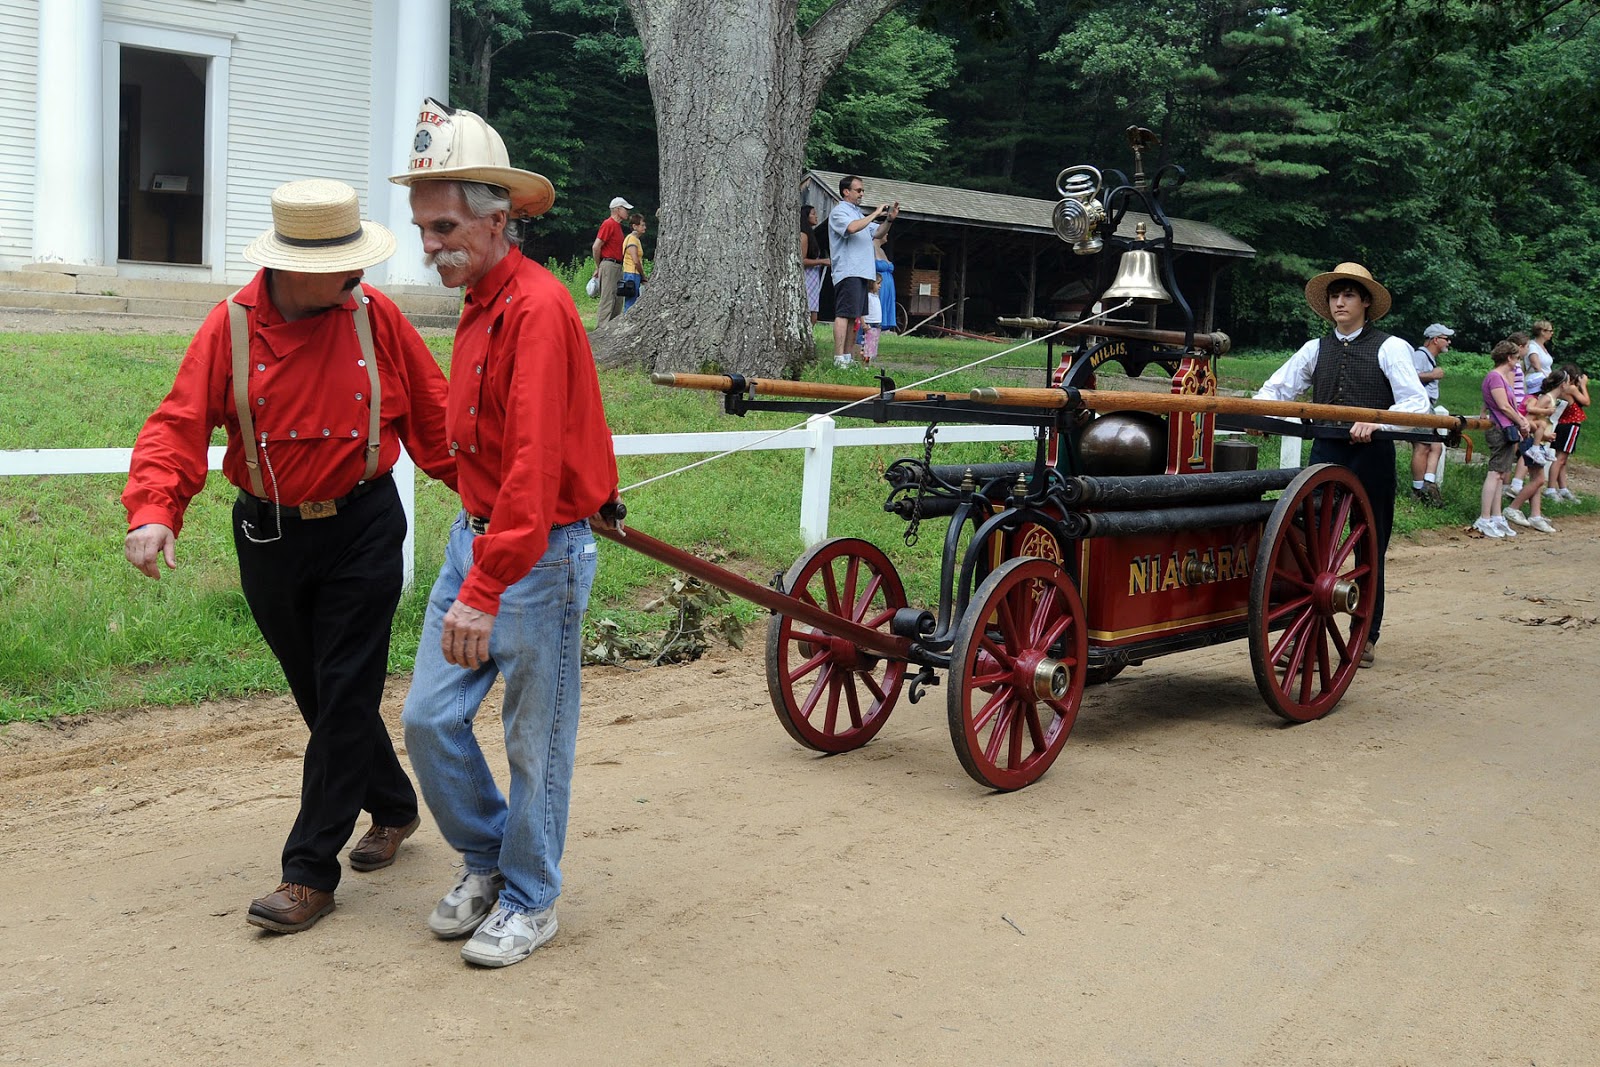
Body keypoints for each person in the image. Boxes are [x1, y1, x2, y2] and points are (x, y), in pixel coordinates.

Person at [121, 179, 457, 934]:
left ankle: (308, 871)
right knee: (321, 693)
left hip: (364, 526)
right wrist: (155, 508)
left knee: (342, 693)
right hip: (268, 537)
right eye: (341, 262)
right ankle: (397, 806)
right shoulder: (231, 327)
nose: (356, 273)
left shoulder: (378, 320)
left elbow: (435, 419)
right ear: (290, 265)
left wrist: (497, 497)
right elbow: (177, 425)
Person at [391, 99, 619, 969]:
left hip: (537, 554)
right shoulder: (478, 298)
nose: (430, 245)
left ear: (498, 218)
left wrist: (487, 586)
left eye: (444, 226)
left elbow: (532, 463)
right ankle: (490, 857)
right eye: (421, 228)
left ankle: (531, 898)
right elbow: (474, 443)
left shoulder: (537, 309)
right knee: (427, 719)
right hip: (479, 539)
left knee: (535, 738)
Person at [1253, 263, 1429, 667]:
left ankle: (1365, 634)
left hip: (1372, 457)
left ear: (1365, 301)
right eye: (1335, 295)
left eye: (1348, 295)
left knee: (1370, 546)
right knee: (1310, 549)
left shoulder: (1391, 347)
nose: (1339, 302)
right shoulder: (1315, 349)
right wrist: (1264, 417)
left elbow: (1417, 404)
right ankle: (1304, 639)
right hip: (1326, 454)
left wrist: (1379, 418)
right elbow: (1274, 391)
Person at [1474, 341, 1546, 537]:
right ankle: (1484, 517)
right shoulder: (1495, 377)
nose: (1518, 361)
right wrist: (1521, 422)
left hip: (1507, 427)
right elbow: (1503, 406)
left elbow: (1509, 406)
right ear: (1509, 357)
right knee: (1495, 473)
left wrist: (1520, 420)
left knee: (1501, 474)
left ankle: (1496, 517)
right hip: (1500, 428)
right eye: (1517, 357)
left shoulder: (1502, 377)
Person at [828, 175, 897, 368]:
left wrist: (889, 220)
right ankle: (838, 357)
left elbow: (878, 233)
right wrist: (875, 213)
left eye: (863, 190)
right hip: (848, 270)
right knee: (843, 314)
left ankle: (848, 357)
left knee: (854, 316)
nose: (862, 194)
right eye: (858, 190)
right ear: (846, 192)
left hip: (861, 272)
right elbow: (851, 229)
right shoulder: (840, 211)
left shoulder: (858, 213)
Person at [1408, 323, 1452, 505]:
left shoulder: (1427, 357)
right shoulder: (1420, 356)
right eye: (1446, 338)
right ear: (1435, 339)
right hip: (1420, 405)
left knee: (1436, 446)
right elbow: (1410, 376)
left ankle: (1428, 484)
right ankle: (1418, 491)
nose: (1449, 342)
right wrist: (1432, 375)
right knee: (1423, 445)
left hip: (1427, 406)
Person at [1548, 362, 1589, 502]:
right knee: (1560, 459)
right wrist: (1583, 385)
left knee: (1562, 459)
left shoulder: (1560, 388)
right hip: (1570, 425)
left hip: (1562, 424)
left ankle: (1563, 488)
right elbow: (1587, 402)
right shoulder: (1571, 388)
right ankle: (1551, 489)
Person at [590, 195, 631, 325]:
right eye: (625, 209)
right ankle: (601, 329)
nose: (627, 212)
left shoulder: (617, 226)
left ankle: (611, 330)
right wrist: (599, 266)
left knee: (618, 299)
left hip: (617, 265)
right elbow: (596, 246)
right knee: (608, 298)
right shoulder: (609, 224)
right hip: (609, 264)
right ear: (618, 210)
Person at [800, 205, 829, 325]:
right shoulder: (803, 235)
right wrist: (822, 261)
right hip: (807, 277)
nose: (816, 216)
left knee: (814, 315)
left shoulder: (811, 234)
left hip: (814, 278)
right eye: (813, 213)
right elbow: (802, 260)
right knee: (810, 314)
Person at [621, 213, 647, 311]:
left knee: (633, 300)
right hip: (632, 273)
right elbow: (635, 260)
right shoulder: (632, 239)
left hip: (633, 273)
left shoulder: (635, 239)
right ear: (634, 226)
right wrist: (643, 275)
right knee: (631, 302)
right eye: (642, 225)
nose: (645, 227)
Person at [873, 230, 898, 334]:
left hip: (888, 285)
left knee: (888, 302)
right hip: (878, 283)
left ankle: (886, 326)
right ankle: (877, 325)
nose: (887, 234)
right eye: (885, 232)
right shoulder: (871, 248)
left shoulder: (882, 251)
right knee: (879, 302)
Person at [1525, 320, 1555, 394]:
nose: (1552, 333)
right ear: (1542, 332)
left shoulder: (1542, 347)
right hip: (1537, 384)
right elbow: (1537, 367)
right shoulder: (1532, 347)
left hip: (1545, 382)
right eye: (1550, 331)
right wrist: (1548, 381)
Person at [860, 275, 884, 366]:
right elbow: (862, 311)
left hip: (876, 324)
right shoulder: (867, 297)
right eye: (878, 283)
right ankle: (864, 363)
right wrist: (864, 324)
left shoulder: (876, 296)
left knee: (872, 346)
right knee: (866, 345)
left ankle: (869, 363)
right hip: (868, 323)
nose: (880, 286)